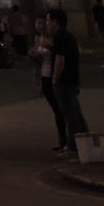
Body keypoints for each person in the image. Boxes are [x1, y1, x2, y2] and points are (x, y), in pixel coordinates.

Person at [47, 9, 89, 155]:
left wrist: (54, 78)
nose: (47, 23)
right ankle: (85, 141)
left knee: (70, 114)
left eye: (48, 20)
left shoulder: (60, 36)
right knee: (75, 112)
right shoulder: (67, 36)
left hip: (64, 81)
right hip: (71, 79)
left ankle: (74, 146)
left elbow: (60, 60)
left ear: (55, 21)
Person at [30, 14, 66, 152]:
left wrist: (50, 47)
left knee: (60, 108)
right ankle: (62, 139)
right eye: (37, 23)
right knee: (55, 109)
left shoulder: (55, 38)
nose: (40, 26)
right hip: (44, 75)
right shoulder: (37, 39)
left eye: (43, 22)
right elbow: (38, 62)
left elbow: (60, 55)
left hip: (55, 74)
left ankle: (65, 140)